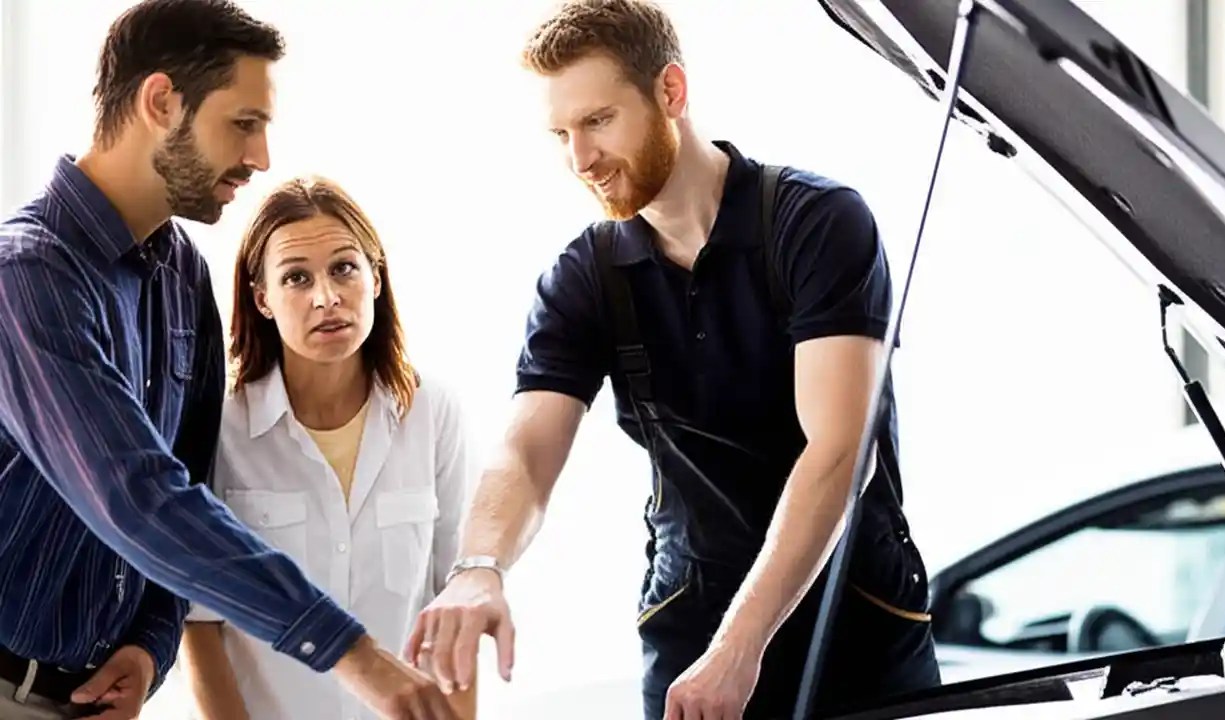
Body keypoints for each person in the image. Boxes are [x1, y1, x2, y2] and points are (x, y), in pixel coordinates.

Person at [411, 1, 942, 718]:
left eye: (598, 121)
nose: (581, 159)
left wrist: (741, 646)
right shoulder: (584, 276)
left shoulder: (816, 222)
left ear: (671, 92)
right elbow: (528, 450)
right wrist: (480, 566)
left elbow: (840, 450)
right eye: (562, 134)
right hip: (691, 628)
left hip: (859, 623)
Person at [0, 2, 455, 718]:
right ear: (160, 102)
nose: (261, 157)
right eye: (244, 124)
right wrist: (356, 655)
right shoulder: (28, 277)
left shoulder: (181, 271)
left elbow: (190, 474)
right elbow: (139, 496)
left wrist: (149, 648)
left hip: (95, 699)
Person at [179, 175, 477, 720]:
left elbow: (455, 605)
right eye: (297, 277)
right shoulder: (218, 426)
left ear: (376, 277)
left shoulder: (434, 412)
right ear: (263, 299)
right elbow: (197, 623)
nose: (326, 297)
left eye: (344, 267)